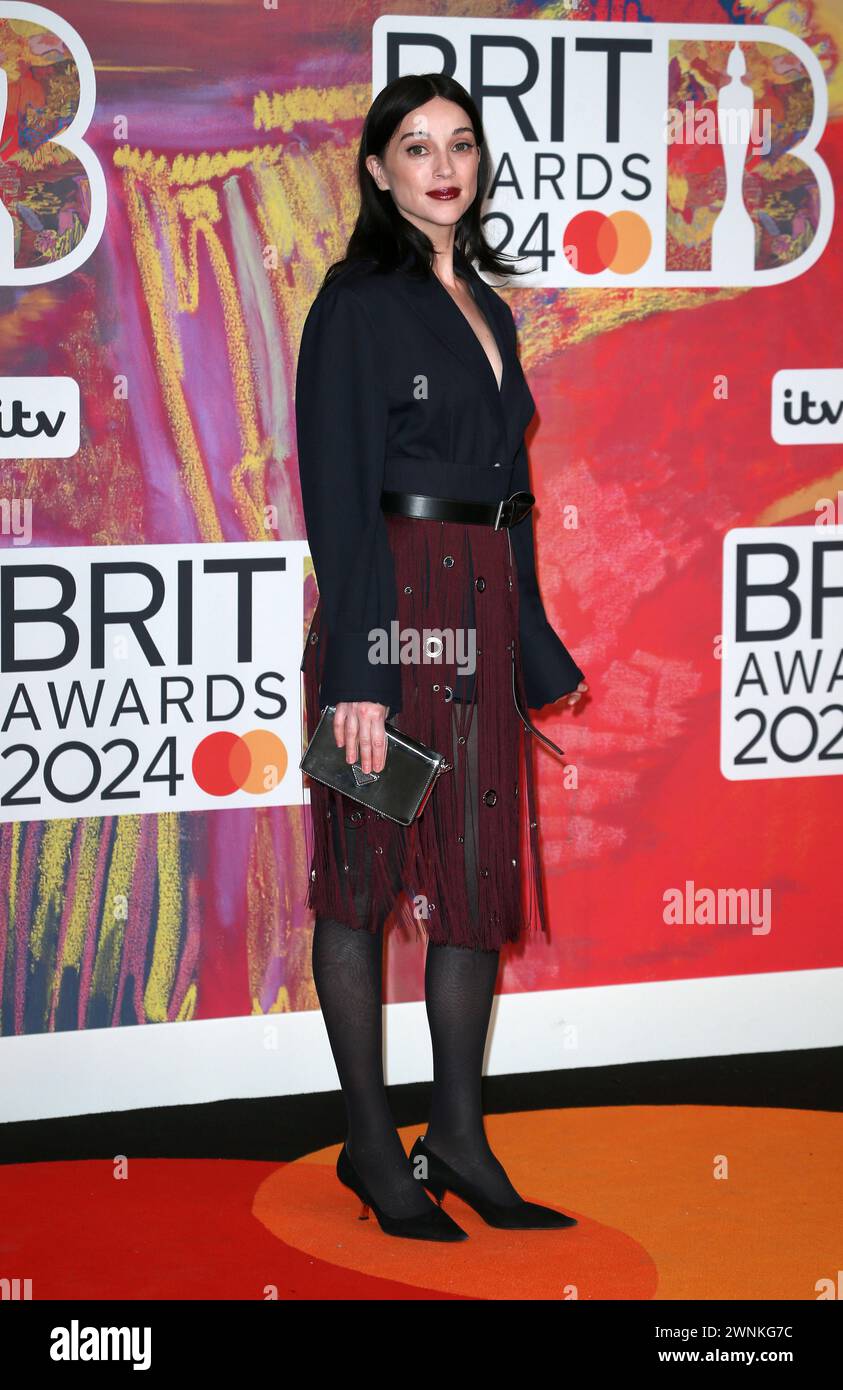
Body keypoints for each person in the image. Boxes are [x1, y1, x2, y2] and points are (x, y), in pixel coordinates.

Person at [295, 73, 589, 1241]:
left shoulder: (486, 302)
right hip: (390, 607)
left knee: (472, 885)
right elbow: (336, 498)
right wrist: (361, 673)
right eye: (414, 146)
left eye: (459, 143)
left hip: (479, 606)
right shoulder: (355, 300)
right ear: (377, 170)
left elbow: (510, 498)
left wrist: (531, 640)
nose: (442, 164)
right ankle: (372, 1148)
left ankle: (457, 1138)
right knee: (362, 883)